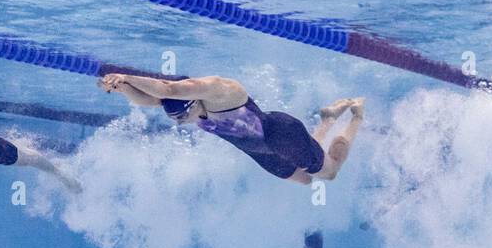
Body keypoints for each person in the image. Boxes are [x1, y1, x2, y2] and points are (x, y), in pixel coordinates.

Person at [99, 72, 362, 184]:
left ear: (192, 101)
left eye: (183, 116)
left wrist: (127, 76)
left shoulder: (222, 93)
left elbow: (169, 88)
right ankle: (327, 118)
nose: (181, 122)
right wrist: (121, 87)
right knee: (305, 180)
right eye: (177, 119)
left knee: (329, 173)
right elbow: (152, 99)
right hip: (259, 152)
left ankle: (355, 117)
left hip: (281, 135)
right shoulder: (187, 107)